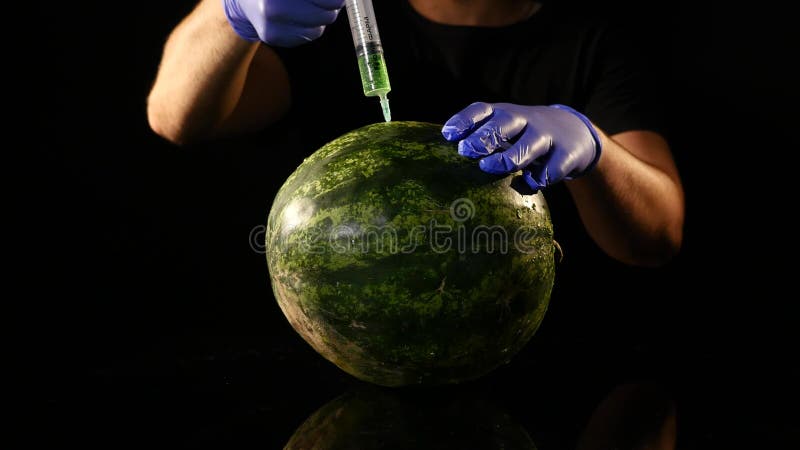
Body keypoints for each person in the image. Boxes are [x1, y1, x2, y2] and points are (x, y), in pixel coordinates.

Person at [147, 0, 684, 268]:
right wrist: (229, 11)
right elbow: (176, 116)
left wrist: (596, 149)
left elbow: (657, 237)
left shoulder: (598, 33)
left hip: (553, 366)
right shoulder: (328, 15)